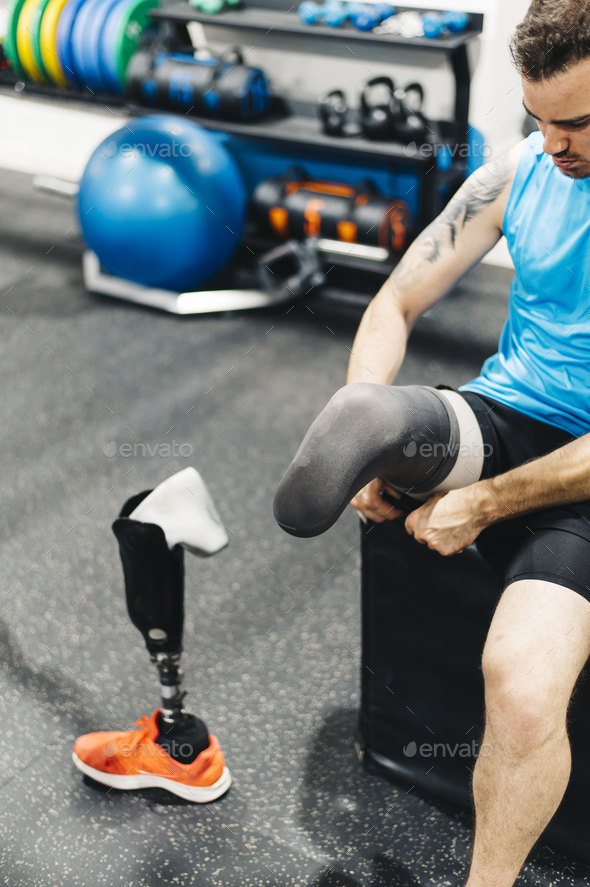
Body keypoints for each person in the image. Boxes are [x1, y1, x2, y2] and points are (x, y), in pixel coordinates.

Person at [274, 2, 590, 884]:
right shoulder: (519, 173)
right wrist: (359, 399)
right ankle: (375, 428)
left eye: (577, 122)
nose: (553, 143)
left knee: (524, 695)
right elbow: (395, 302)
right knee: (383, 417)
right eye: (538, 118)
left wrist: (484, 504)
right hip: (507, 416)